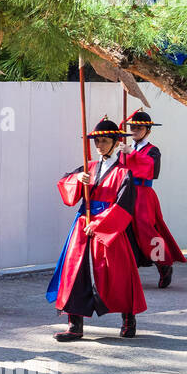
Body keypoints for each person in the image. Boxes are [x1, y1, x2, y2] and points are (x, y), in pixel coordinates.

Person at [47, 118, 147, 341]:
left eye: (103, 141)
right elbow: (65, 185)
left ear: (115, 142)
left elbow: (124, 205)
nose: (99, 145)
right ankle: (75, 325)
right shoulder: (89, 166)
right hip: (83, 224)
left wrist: (100, 223)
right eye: (97, 141)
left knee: (118, 273)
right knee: (74, 273)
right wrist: (76, 179)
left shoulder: (124, 173)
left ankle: (128, 319)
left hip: (108, 226)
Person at [121, 109, 186, 288]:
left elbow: (151, 170)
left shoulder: (152, 151)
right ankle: (128, 269)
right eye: (132, 127)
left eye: (139, 128)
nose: (134, 130)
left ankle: (163, 264)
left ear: (148, 130)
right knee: (124, 230)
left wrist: (131, 155)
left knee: (147, 231)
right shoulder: (126, 148)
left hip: (143, 194)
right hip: (126, 194)